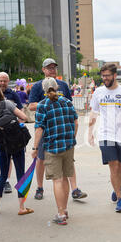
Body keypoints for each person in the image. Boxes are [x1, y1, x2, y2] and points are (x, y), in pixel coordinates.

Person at [29, 58, 87, 200]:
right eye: (49, 68)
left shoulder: (62, 85)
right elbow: (31, 106)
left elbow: (70, 105)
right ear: (43, 70)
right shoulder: (37, 86)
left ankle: (75, 189)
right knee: (41, 159)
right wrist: (49, 102)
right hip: (45, 127)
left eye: (54, 67)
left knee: (68, 160)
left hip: (62, 128)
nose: (52, 70)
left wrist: (72, 133)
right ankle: (40, 187)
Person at [88, 63, 121, 213]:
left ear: (115, 76)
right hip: (105, 134)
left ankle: (117, 186)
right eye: (103, 76)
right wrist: (90, 132)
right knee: (114, 166)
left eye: (107, 76)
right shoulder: (98, 92)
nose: (104, 78)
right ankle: (120, 199)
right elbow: (93, 112)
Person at [32, 77, 79, 225]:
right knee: (65, 178)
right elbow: (76, 122)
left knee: (57, 180)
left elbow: (39, 128)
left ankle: (60, 214)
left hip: (52, 147)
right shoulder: (67, 102)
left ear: (44, 89)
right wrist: (72, 137)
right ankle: (64, 210)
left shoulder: (42, 105)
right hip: (68, 145)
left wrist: (35, 148)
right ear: (57, 87)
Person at [0, 85, 32, 215]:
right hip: (16, 144)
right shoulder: (7, 103)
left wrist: (0, 133)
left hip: (1, 146)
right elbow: (24, 117)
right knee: (20, 174)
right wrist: (14, 125)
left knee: (3, 175)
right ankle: (22, 208)